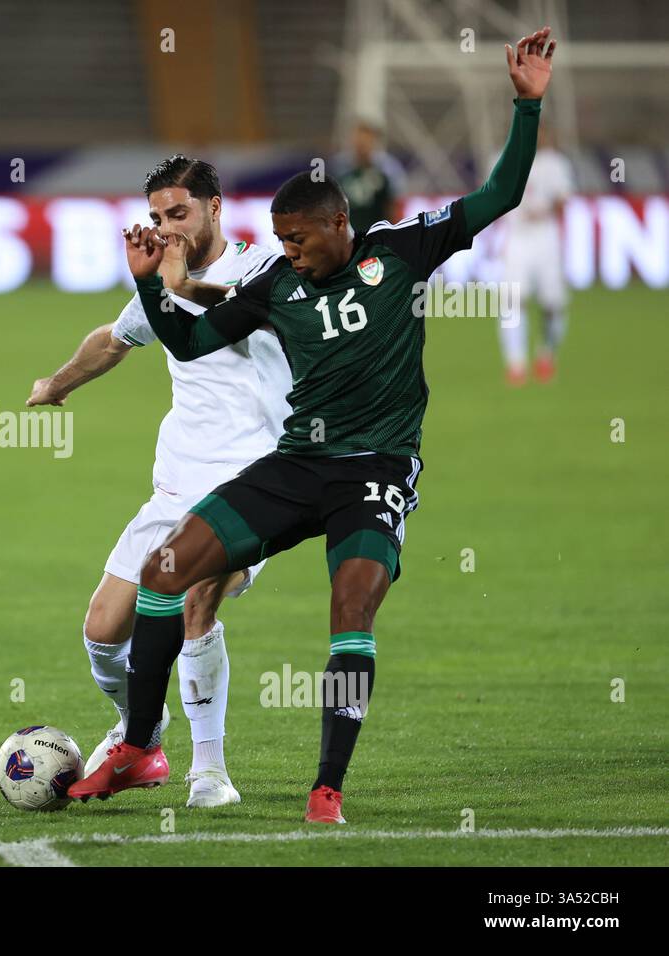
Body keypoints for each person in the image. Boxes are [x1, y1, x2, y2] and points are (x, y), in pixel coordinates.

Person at [68, 27, 557, 823]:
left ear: (337, 226)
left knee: (349, 614)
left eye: (297, 240)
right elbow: (190, 341)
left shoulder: (402, 251)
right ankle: (137, 744)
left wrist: (526, 106)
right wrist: (155, 286)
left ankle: (327, 786)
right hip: (297, 465)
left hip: (376, 472)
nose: (287, 254)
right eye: (280, 242)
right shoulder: (276, 287)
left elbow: (500, 194)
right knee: (165, 569)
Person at [28, 156, 291, 807]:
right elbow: (115, 339)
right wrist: (57, 384)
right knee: (101, 632)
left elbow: (241, 311)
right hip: (174, 488)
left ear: (214, 207)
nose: (167, 226)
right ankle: (142, 736)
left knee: (197, 599)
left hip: (253, 485)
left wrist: (173, 282)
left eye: (179, 213)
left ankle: (211, 774)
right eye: (157, 216)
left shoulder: (266, 272)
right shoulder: (162, 279)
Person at [498, 124, 573, 384]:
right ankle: (516, 363)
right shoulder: (503, 158)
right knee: (512, 301)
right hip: (517, 238)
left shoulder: (555, 163)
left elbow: (563, 200)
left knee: (553, 303)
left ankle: (546, 355)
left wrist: (545, 209)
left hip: (545, 237)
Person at [334, 121, 407, 235]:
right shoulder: (340, 170)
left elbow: (393, 205)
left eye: (365, 143)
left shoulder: (387, 170)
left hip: (377, 234)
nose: (361, 147)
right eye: (358, 143)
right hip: (349, 235)